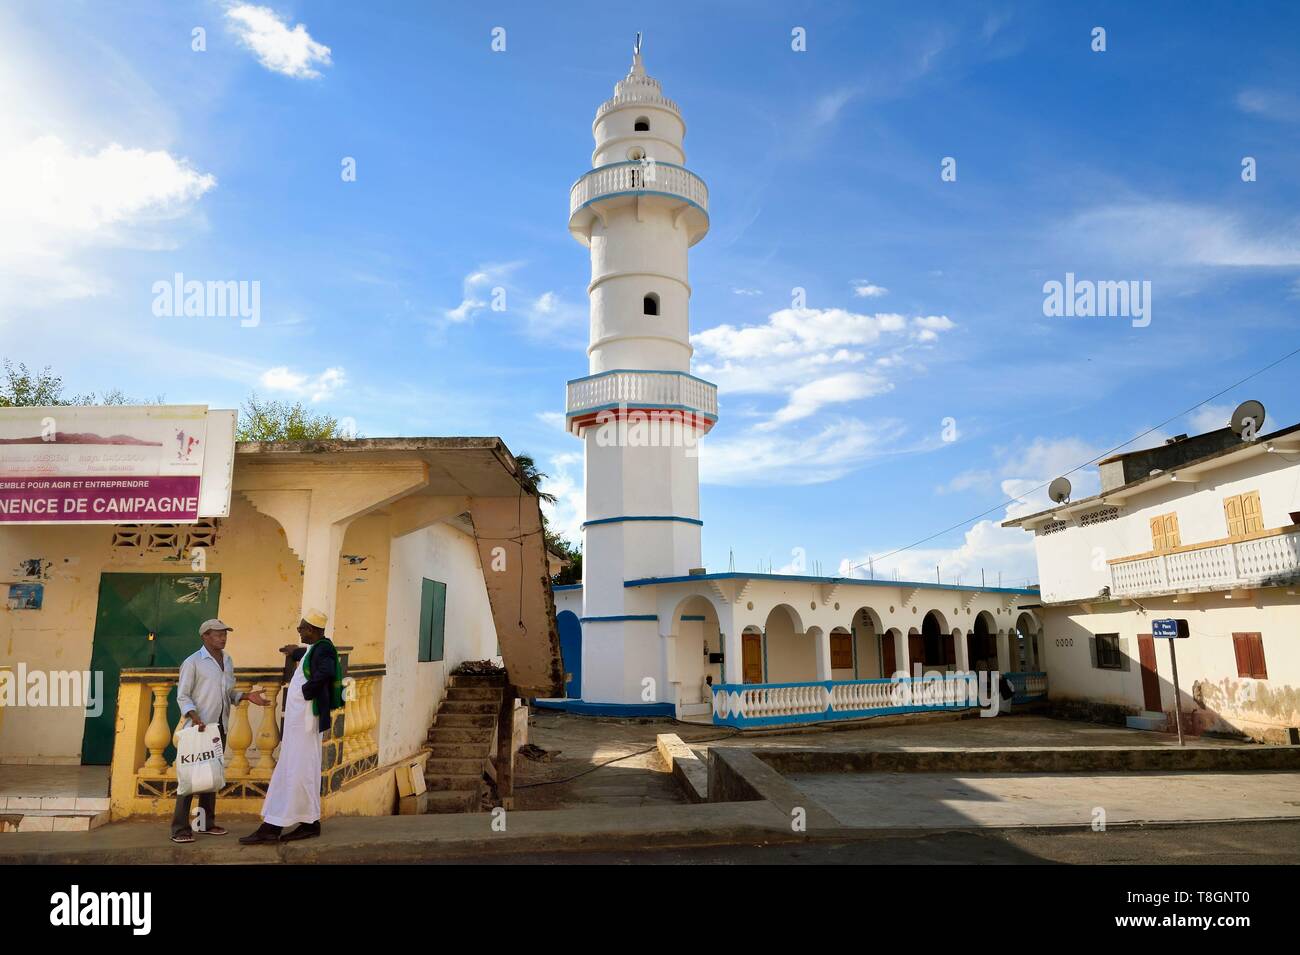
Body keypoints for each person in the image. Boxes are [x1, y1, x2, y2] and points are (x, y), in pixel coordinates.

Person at [240, 609, 342, 844]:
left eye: (302, 627)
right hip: (301, 720)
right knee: (296, 767)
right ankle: (306, 822)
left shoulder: (324, 647)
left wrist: (306, 692)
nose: (299, 630)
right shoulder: (316, 648)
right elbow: (310, 655)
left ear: (314, 630)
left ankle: (278, 826)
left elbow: (325, 670)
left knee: (296, 768)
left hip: (306, 719)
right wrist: (294, 651)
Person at [171, 619, 270, 844]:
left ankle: (205, 823)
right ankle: (179, 828)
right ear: (205, 636)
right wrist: (194, 717)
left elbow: (228, 693)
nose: (223, 638)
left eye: (225, 634)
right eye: (218, 634)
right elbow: (183, 695)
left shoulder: (227, 660)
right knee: (189, 778)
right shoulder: (193, 662)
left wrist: (245, 696)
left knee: (211, 777)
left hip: (218, 728)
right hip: (197, 728)